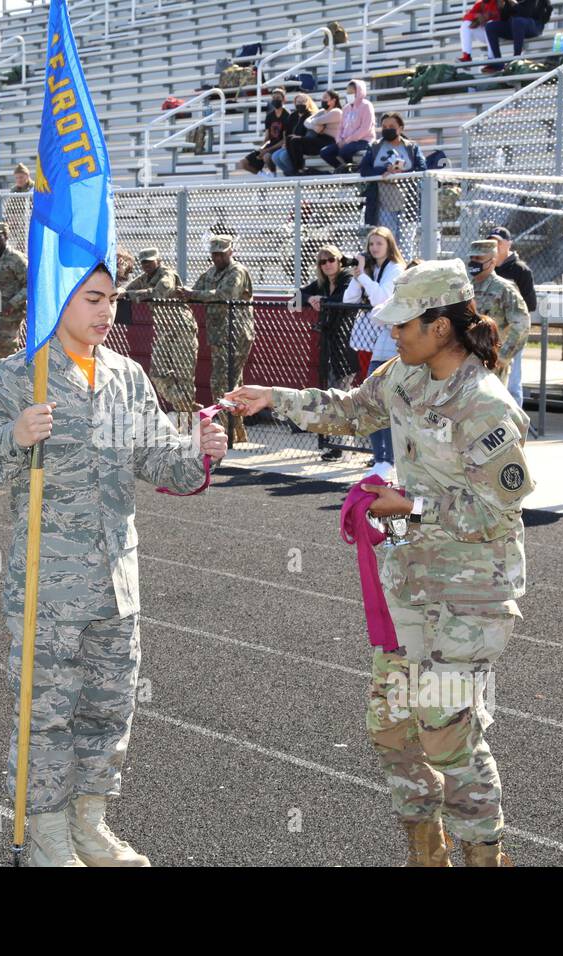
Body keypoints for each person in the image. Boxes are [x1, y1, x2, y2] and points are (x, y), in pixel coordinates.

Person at [226, 259, 533, 868]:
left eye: (403, 324)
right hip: (410, 581)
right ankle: (426, 851)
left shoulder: (486, 405)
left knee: (445, 724)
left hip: (472, 591)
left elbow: (499, 510)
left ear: (441, 327)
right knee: (392, 724)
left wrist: (410, 505)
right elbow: (349, 411)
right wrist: (275, 398)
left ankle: (484, 854)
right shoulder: (403, 377)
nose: (392, 334)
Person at [0, 266, 228, 866]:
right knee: (48, 713)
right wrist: (14, 434)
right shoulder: (20, 376)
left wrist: (200, 451)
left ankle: (90, 823)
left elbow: (162, 462)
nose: (107, 311)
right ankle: (44, 835)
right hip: (50, 585)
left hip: (116, 582)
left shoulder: (127, 377)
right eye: (93, 299)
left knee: (109, 707)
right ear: (60, 300)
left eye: (112, 299)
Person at [175, 234, 255, 443]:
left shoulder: (237, 271)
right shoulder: (211, 273)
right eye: (214, 255)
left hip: (236, 334)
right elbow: (195, 290)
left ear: (230, 252)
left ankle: (230, 431)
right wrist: (186, 292)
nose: (217, 258)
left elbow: (226, 294)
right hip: (218, 335)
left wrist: (194, 293)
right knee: (233, 384)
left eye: (221, 254)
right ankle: (237, 433)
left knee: (221, 383)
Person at [344, 226, 406, 477]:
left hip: (391, 341)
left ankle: (388, 458)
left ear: (389, 245)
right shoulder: (374, 270)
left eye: (379, 244)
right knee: (371, 399)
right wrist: (359, 275)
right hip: (375, 340)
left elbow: (382, 301)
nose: (374, 248)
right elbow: (349, 299)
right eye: (371, 244)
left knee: (386, 401)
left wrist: (366, 279)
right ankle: (380, 457)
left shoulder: (396, 270)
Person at [122, 248, 196, 420]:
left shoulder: (166, 274)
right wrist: (124, 292)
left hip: (181, 327)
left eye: (150, 261)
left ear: (159, 260)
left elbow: (159, 292)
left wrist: (129, 294)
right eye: (144, 262)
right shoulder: (146, 278)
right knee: (157, 374)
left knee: (183, 375)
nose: (147, 265)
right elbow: (128, 290)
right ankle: (187, 406)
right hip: (164, 329)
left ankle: (187, 421)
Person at [299, 244, 357, 460]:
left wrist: (321, 301)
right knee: (332, 394)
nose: (327, 265)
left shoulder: (347, 280)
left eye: (331, 259)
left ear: (339, 260)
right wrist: (312, 299)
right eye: (322, 262)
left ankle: (341, 445)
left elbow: (341, 301)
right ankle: (338, 443)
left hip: (346, 344)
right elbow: (297, 296)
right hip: (328, 346)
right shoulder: (322, 284)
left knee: (340, 394)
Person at [359, 113, 427, 257]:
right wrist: (383, 171)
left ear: (400, 128)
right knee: (387, 242)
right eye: (384, 127)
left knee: (406, 244)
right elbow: (364, 170)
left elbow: (422, 168)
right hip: (383, 203)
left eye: (391, 127)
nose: (387, 129)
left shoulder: (411, 147)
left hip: (408, 203)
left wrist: (403, 172)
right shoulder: (374, 146)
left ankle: (404, 274)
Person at [467, 239, 529, 392]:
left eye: (479, 259)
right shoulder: (467, 288)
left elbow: (522, 325)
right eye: (472, 258)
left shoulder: (504, 289)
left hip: (492, 367)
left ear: (492, 261)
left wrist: (502, 356)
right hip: (467, 363)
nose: (474, 262)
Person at [486, 226, 535, 407]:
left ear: (509, 244)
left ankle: (515, 429)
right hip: (488, 337)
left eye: (499, 242)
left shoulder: (520, 270)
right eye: (492, 241)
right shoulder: (485, 269)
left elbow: (530, 306)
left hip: (510, 335)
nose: (495, 245)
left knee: (512, 384)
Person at [0, 221, 28, 359]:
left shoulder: (15, 258)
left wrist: (13, 304)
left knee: (6, 354)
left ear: (6, 236)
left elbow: (30, 285)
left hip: (8, 318)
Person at [320, 79, 375, 171]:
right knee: (325, 152)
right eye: (348, 92)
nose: (349, 95)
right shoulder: (346, 108)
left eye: (351, 92)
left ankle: (353, 170)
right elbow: (340, 127)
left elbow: (365, 128)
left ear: (359, 92)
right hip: (345, 141)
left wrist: (347, 141)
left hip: (363, 141)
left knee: (344, 150)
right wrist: (338, 140)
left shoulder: (366, 106)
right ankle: (344, 169)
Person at [484, 0, 553, 72]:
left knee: (517, 21)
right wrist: (503, 7)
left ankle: (516, 60)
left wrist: (515, 5)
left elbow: (527, 14)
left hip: (534, 25)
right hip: (515, 26)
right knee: (490, 26)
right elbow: (504, 18)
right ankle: (498, 63)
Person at [237, 88, 290, 176]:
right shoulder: (269, 116)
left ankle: (273, 175)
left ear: (284, 100)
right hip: (269, 147)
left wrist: (266, 150)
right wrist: (262, 148)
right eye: (274, 98)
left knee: (266, 157)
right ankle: (264, 176)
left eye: (278, 98)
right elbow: (267, 137)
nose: (276, 100)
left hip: (280, 147)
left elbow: (284, 140)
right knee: (243, 163)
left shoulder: (287, 115)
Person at [289, 90, 343, 174]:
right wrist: (315, 127)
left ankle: (299, 170)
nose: (322, 100)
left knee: (296, 141)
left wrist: (314, 123)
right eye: (322, 98)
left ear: (333, 100)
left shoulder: (336, 112)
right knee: (292, 140)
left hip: (331, 141)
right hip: (320, 139)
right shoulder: (322, 111)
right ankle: (298, 169)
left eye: (325, 98)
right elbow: (306, 122)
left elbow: (316, 121)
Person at [270, 93, 316, 177]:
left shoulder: (311, 116)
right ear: (295, 103)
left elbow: (310, 135)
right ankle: (292, 174)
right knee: (274, 156)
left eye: (303, 101)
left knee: (283, 156)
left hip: (302, 144)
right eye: (298, 102)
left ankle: (296, 172)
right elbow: (287, 132)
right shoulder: (292, 116)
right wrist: (285, 143)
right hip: (290, 143)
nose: (300, 104)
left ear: (308, 103)